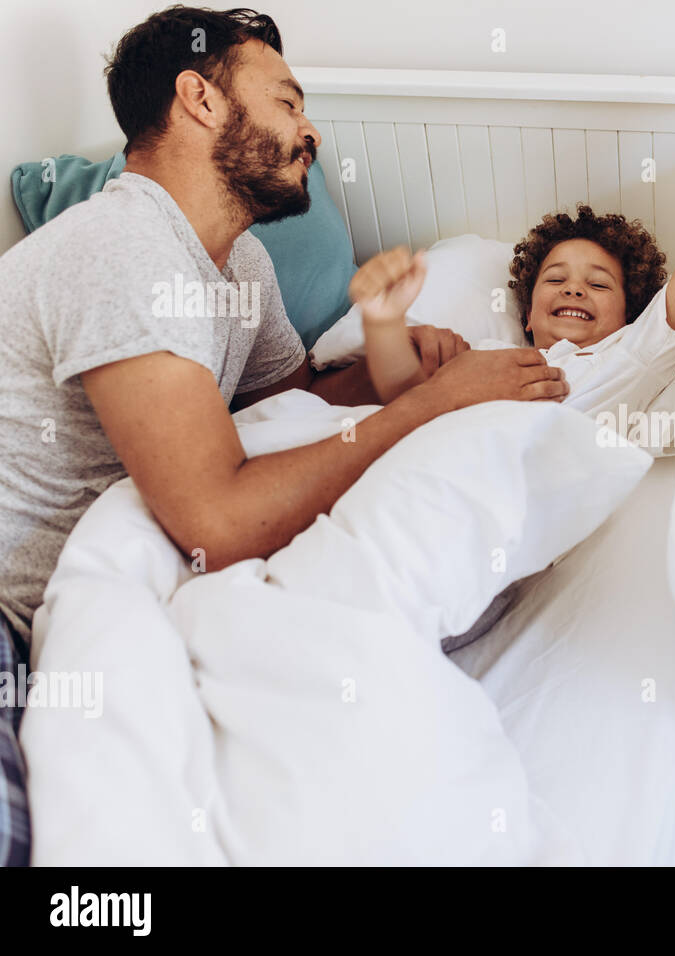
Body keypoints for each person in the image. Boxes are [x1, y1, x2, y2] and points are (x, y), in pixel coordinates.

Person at [0, 6, 567, 863]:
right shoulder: (120, 249)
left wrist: (386, 360)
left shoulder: (243, 268)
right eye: (287, 102)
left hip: (108, 597)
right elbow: (218, 524)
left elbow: (290, 403)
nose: (309, 131)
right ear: (200, 100)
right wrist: (428, 405)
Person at [353, 56, 675, 426]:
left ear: (628, 314)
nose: (574, 289)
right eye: (556, 280)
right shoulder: (487, 357)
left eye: (598, 285)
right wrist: (383, 323)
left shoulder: (634, 352)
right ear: (528, 317)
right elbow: (405, 398)